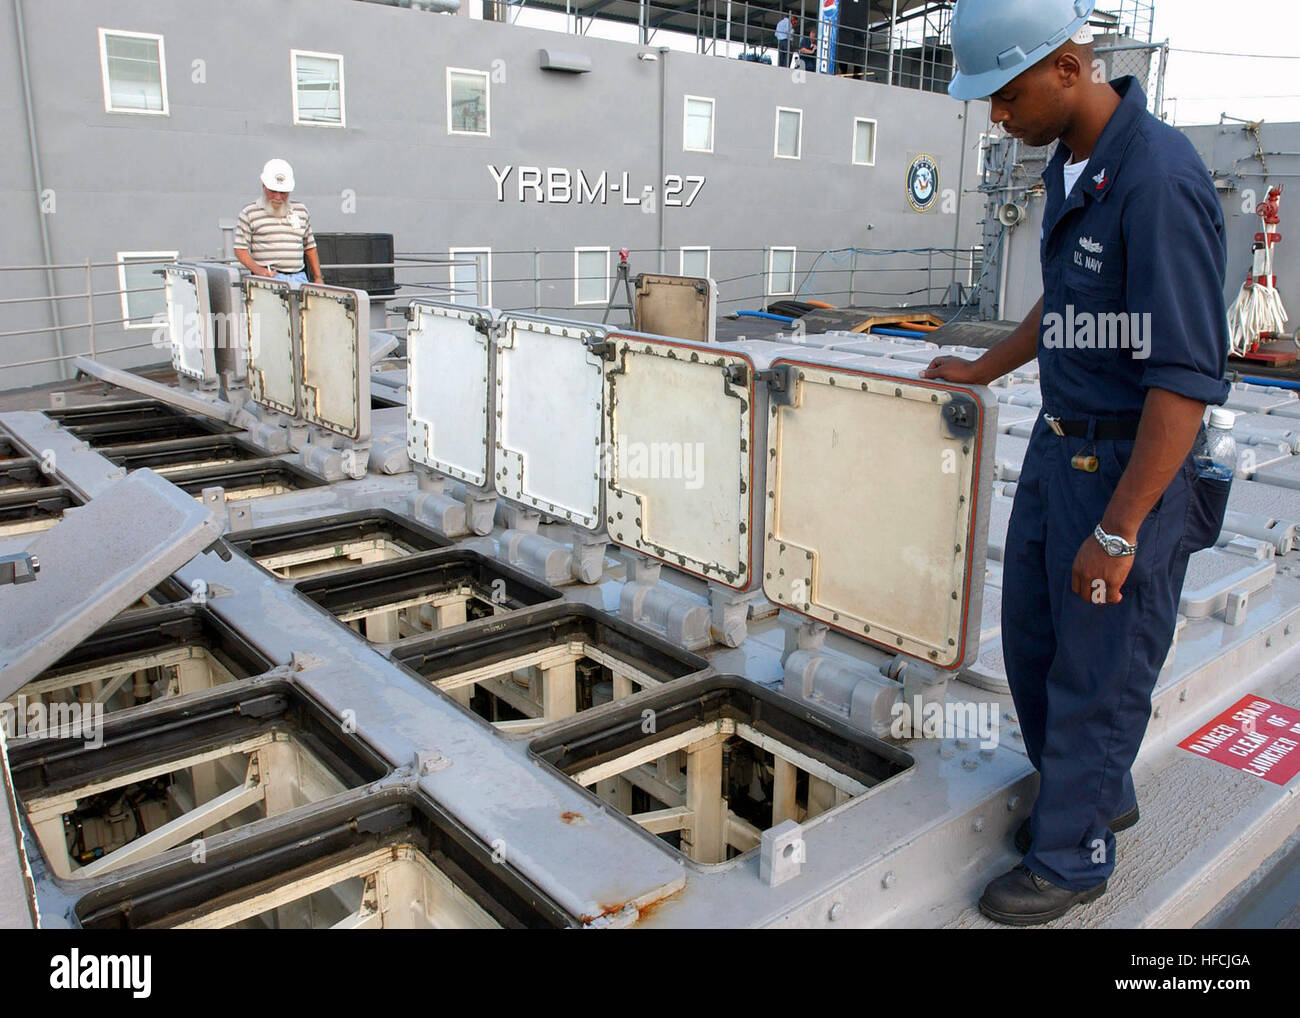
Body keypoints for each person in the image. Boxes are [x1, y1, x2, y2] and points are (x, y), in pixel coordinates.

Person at [921, 0, 1231, 925]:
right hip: (1064, 453)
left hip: (1132, 471)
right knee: (1033, 642)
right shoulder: (1074, 167)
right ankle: (1097, 791)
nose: (996, 117)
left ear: (1067, 66)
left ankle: (1076, 856)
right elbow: (1065, 305)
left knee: (1097, 669)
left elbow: (1183, 385)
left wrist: (1121, 527)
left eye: (1006, 94)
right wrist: (983, 366)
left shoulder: (1158, 181)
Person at [234, 158, 323, 286]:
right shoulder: (249, 213)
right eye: (273, 191)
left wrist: (318, 277)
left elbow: (309, 246)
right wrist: (259, 271)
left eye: (283, 193)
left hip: (299, 278)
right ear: (264, 186)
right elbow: (240, 249)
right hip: (268, 279)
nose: (278, 197)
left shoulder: (301, 211)